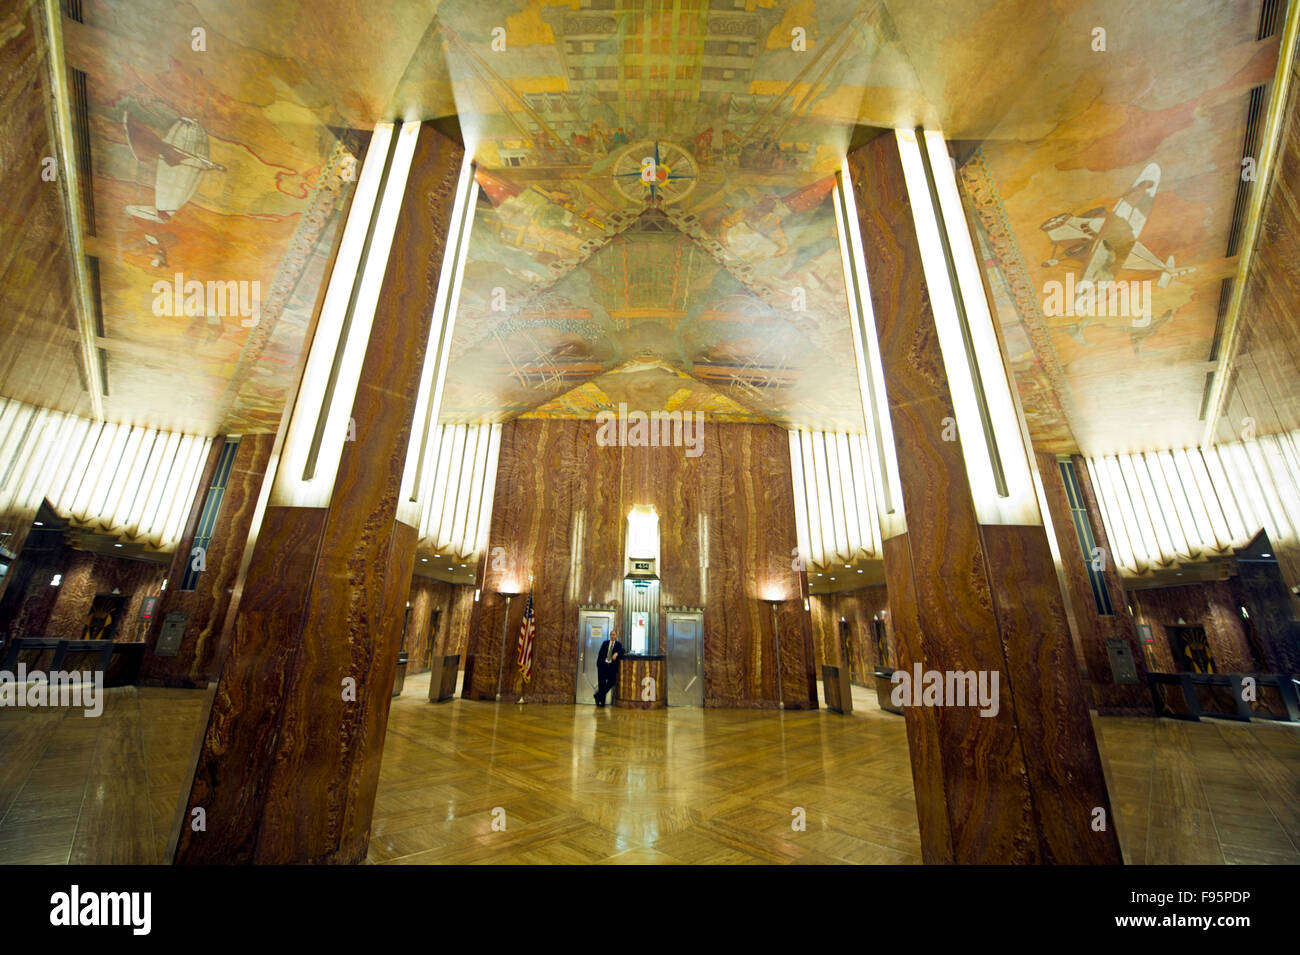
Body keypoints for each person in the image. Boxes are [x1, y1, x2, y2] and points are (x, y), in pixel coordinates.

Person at [594, 629, 625, 707]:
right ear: (610, 635)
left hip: (612, 667)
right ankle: (601, 702)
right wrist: (599, 664)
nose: (612, 636)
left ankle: (598, 695)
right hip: (603, 666)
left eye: (614, 634)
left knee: (611, 682)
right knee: (602, 684)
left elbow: (623, 650)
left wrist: (617, 653)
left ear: (616, 636)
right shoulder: (605, 643)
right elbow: (600, 654)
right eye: (611, 634)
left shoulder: (618, 645)